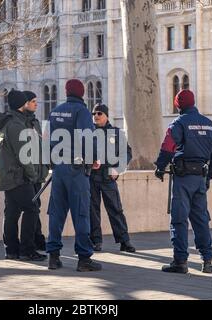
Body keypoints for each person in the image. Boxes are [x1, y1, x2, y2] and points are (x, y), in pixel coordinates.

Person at [154, 89, 212, 274]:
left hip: (183, 178)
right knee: (201, 220)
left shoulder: (179, 123)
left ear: (178, 105)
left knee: (179, 220)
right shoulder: (209, 124)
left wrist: (160, 167)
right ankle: (207, 261)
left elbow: (168, 147)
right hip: (200, 178)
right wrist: (209, 176)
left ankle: (180, 261)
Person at [46, 79, 102, 272]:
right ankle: (84, 258)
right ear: (82, 93)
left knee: (56, 213)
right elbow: (86, 137)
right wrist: (93, 159)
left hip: (59, 167)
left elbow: (49, 140)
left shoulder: (55, 111)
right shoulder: (82, 112)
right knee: (81, 213)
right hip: (76, 169)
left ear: (67, 91)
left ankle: (53, 257)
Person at [0, 89, 47, 262]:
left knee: (12, 212)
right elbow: (23, 156)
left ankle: (11, 250)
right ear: (21, 105)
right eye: (27, 102)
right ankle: (26, 250)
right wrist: (33, 175)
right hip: (17, 177)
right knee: (31, 209)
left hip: (8, 176)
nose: (30, 104)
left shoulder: (7, 122)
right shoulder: (16, 125)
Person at [89, 103, 135, 253]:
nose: (96, 116)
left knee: (116, 209)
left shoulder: (116, 133)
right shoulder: (88, 133)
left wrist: (118, 169)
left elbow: (127, 153)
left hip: (108, 177)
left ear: (107, 115)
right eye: (94, 113)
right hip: (91, 178)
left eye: (99, 113)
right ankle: (96, 241)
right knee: (92, 210)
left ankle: (124, 241)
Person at [23, 90, 50, 252]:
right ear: (25, 103)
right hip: (28, 173)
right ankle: (31, 242)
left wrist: (45, 167)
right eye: (33, 101)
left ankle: (37, 238)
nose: (36, 104)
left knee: (35, 207)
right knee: (30, 208)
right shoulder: (22, 122)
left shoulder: (35, 122)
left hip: (38, 172)